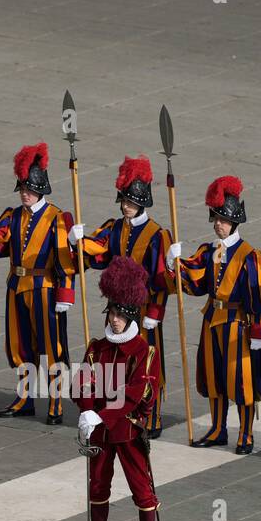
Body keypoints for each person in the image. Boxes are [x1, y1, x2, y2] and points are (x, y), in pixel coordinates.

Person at [64, 256, 162, 521]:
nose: (116, 320)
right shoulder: (97, 348)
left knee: (142, 493)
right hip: (100, 435)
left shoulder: (144, 353)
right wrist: (87, 410)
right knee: (97, 489)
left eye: (121, 314)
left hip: (127, 432)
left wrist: (100, 414)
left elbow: (135, 394)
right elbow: (83, 382)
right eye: (112, 313)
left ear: (131, 315)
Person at [0, 143, 78, 423]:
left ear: (40, 188)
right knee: (19, 345)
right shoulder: (13, 215)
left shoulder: (57, 218)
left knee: (51, 346)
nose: (24, 193)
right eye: (21, 188)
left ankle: (55, 402)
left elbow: (65, 258)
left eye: (28, 189)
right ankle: (25, 397)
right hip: (16, 286)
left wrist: (65, 293)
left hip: (45, 289)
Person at [172, 176, 261, 454]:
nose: (218, 224)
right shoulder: (208, 251)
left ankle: (245, 433)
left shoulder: (249, 255)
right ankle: (218, 429)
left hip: (238, 324)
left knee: (241, 380)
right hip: (212, 320)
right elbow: (195, 282)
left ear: (234, 222)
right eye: (215, 218)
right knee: (214, 377)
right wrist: (176, 263)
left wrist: (259, 332)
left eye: (223, 219)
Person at [75, 156, 175, 437]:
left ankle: (151, 415)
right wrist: (79, 241)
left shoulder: (157, 234)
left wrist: (156, 312)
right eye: (123, 201)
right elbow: (99, 251)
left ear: (142, 202)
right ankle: (117, 407)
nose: (125, 206)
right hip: (119, 308)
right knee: (118, 360)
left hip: (144, 310)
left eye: (130, 202)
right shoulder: (116, 226)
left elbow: (160, 279)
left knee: (148, 364)